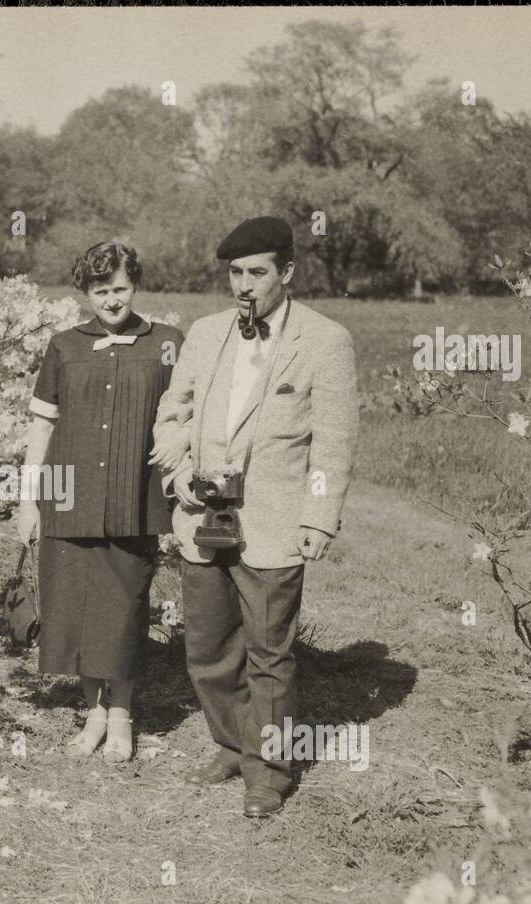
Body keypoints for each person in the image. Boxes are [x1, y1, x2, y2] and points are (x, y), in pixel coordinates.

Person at [150, 217, 359, 816]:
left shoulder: (324, 340)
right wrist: (177, 473)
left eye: (257, 273)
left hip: (273, 521)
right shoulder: (207, 333)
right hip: (200, 517)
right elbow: (174, 412)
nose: (244, 285)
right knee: (209, 646)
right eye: (235, 273)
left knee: (270, 652)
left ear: (286, 274)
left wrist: (318, 517)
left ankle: (270, 770)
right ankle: (232, 744)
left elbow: (335, 442)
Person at [17, 241, 184, 763]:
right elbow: (41, 426)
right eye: (100, 290)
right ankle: (92, 711)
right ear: (85, 293)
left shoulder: (168, 344)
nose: (111, 300)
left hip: (136, 499)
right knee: (76, 609)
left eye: (120, 288)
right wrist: (28, 500)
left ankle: (121, 715)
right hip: (67, 495)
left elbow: (186, 420)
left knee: (125, 606)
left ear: (135, 286)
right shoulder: (63, 346)